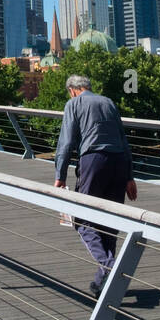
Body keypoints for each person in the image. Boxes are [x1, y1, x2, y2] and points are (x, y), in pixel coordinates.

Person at [53, 75, 138, 296]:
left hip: (94, 161)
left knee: (81, 219)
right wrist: (130, 176)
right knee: (110, 218)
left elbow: (66, 142)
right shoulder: (108, 102)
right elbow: (123, 139)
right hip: (118, 161)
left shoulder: (74, 104)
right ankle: (102, 281)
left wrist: (60, 176)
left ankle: (110, 265)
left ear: (72, 90)